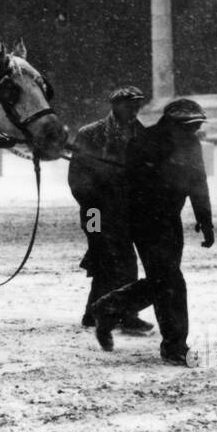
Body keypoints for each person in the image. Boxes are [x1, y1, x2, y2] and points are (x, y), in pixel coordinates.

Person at [92, 98, 214, 366]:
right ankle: (174, 346)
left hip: (169, 221)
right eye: (188, 126)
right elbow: (126, 187)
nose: (192, 131)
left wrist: (205, 221)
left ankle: (111, 307)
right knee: (171, 282)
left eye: (196, 126)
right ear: (171, 123)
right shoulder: (144, 142)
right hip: (144, 221)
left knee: (163, 281)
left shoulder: (189, 144)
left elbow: (198, 184)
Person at [67, 86, 153, 335]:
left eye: (137, 105)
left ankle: (105, 312)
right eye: (130, 105)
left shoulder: (141, 134)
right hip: (94, 212)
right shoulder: (90, 134)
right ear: (115, 105)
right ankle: (114, 313)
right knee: (102, 256)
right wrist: (95, 201)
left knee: (122, 260)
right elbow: (77, 179)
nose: (135, 109)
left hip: (126, 212)